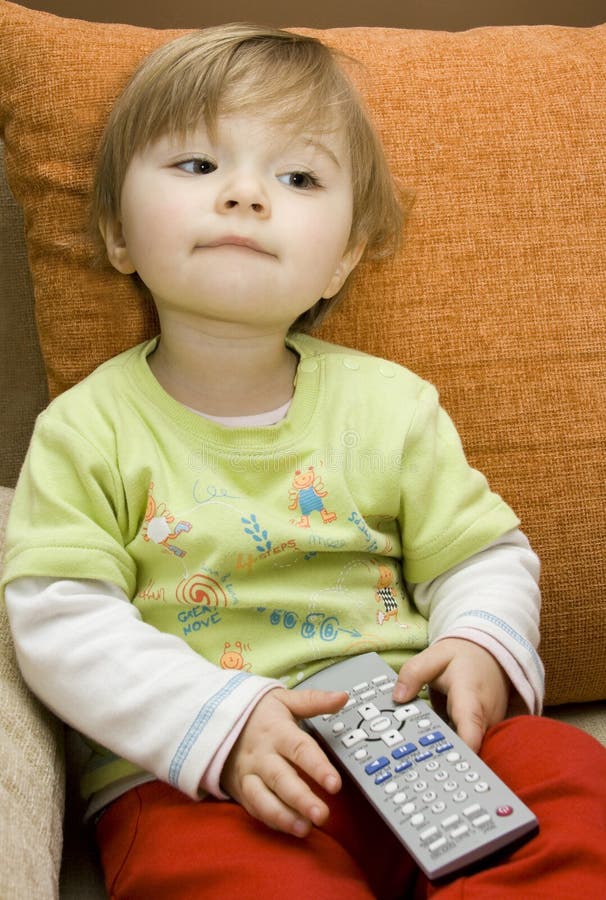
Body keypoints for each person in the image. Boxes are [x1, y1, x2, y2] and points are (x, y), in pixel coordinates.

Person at [2, 24, 605, 899]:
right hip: (205, 778)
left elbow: (484, 553)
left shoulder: (392, 405)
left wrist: (481, 640)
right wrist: (219, 720)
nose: (246, 195)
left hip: (415, 733)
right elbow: (59, 620)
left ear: (344, 258)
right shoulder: (84, 431)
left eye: (297, 178)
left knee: (562, 769)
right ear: (117, 234)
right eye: (198, 167)